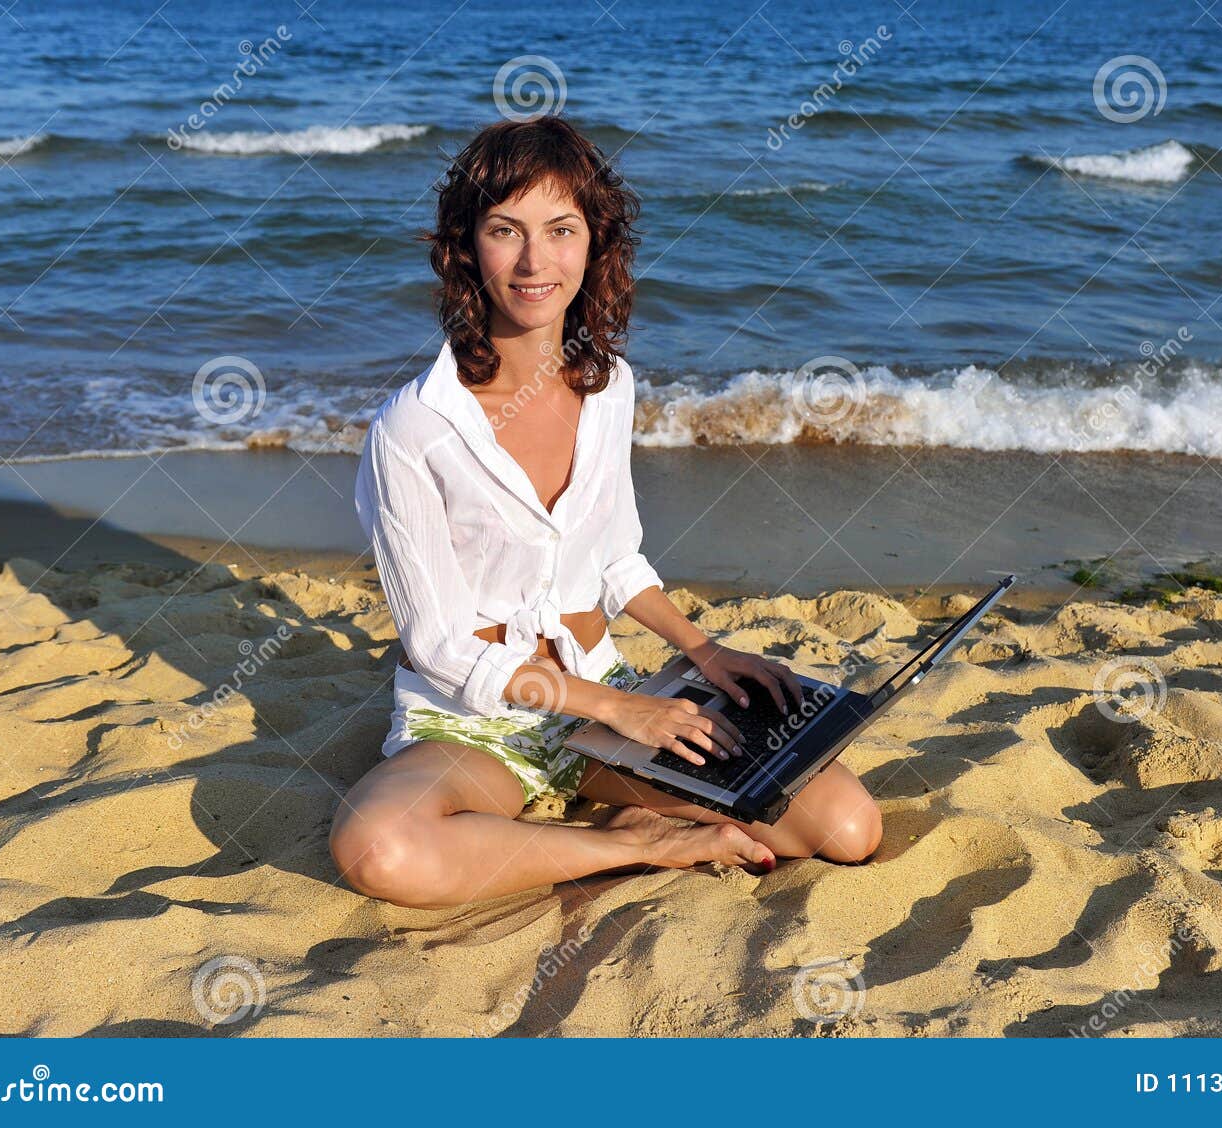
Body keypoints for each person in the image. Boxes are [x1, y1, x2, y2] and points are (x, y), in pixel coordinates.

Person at [330, 116, 882, 909]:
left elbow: (617, 558)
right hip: (476, 723)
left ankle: (616, 811)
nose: (534, 261)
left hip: (605, 709)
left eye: (561, 229)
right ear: (466, 248)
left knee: (848, 827)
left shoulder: (609, 384)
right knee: (379, 848)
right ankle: (629, 844)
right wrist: (624, 710)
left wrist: (703, 652)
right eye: (504, 230)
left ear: (595, 244)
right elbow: (439, 646)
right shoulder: (412, 428)